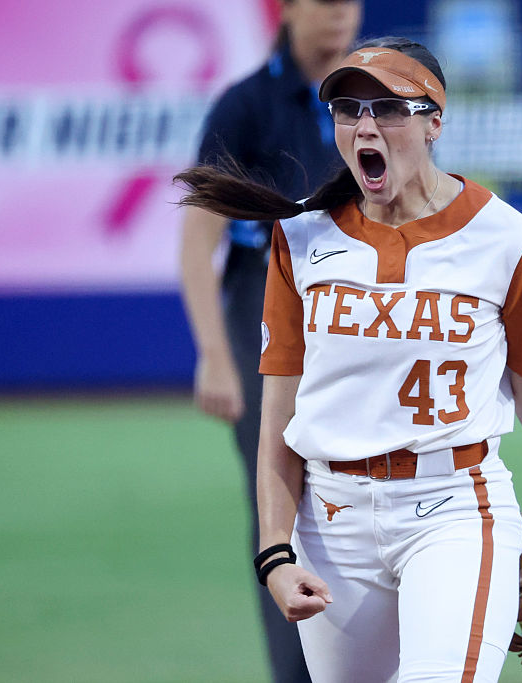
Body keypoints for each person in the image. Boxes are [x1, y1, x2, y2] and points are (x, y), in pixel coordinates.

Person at [177, 36, 522, 683]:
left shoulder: (512, 242)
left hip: (455, 508)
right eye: (348, 109)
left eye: (387, 108)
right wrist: (274, 553)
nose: (365, 125)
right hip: (329, 525)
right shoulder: (300, 239)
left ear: (434, 121)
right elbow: (280, 420)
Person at [177, 2, 361, 681]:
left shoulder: (368, 97)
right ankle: (297, 671)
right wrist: (214, 354)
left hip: (349, 311)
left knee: (361, 491)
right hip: (261, 309)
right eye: (325, 0)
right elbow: (198, 240)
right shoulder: (247, 105)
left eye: (350, 1)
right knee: (281, 502)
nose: (340, 14)